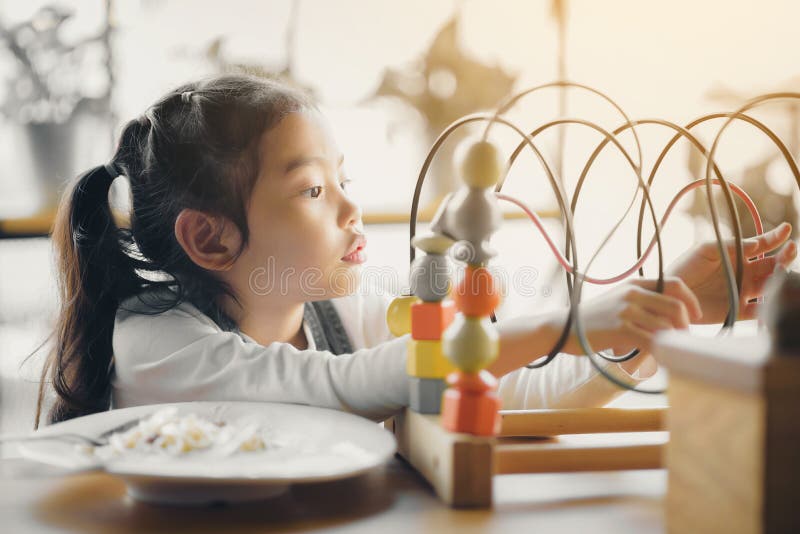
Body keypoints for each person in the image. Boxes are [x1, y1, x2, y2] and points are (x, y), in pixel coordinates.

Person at [34, 74, 798, 427]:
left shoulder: (340, 314)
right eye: (311, 191)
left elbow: (504, 390)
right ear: (210, 237)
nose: (351, 208)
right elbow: (350, 387)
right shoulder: (156, 339)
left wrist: (639, 326)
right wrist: (578, 320)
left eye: (346, 181)